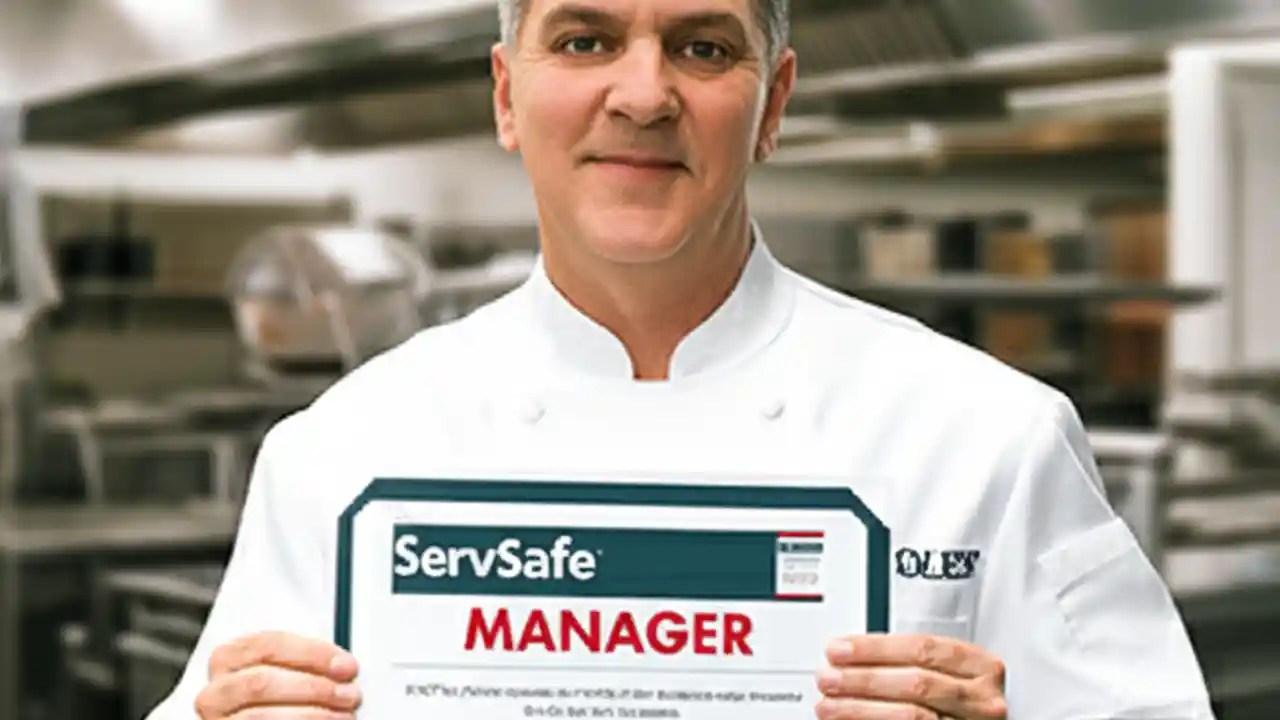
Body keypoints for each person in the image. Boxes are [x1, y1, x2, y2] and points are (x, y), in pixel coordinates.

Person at [149, 0, 1215, 718]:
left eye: (703, 46)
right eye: (583, 41)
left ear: (773, 105)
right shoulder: (342, 447)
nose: (643, 95)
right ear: (505, 97)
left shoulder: (983, 432)